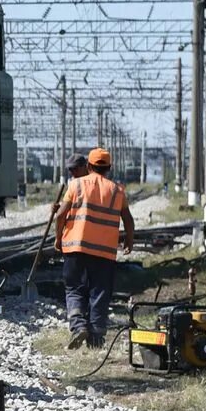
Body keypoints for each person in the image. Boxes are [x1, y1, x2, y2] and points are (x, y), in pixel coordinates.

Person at [58, 147, 135, 348]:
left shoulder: (76, 185)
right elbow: (128, 219)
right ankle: (97, 338)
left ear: (89, 166)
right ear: (109, 167)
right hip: (105, 252)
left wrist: (58, 239)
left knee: (74, 289)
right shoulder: (117, 190)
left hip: (76, 248)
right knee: (100, 292)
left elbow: (60, 215)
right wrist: (129, 241)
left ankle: (78, 326)